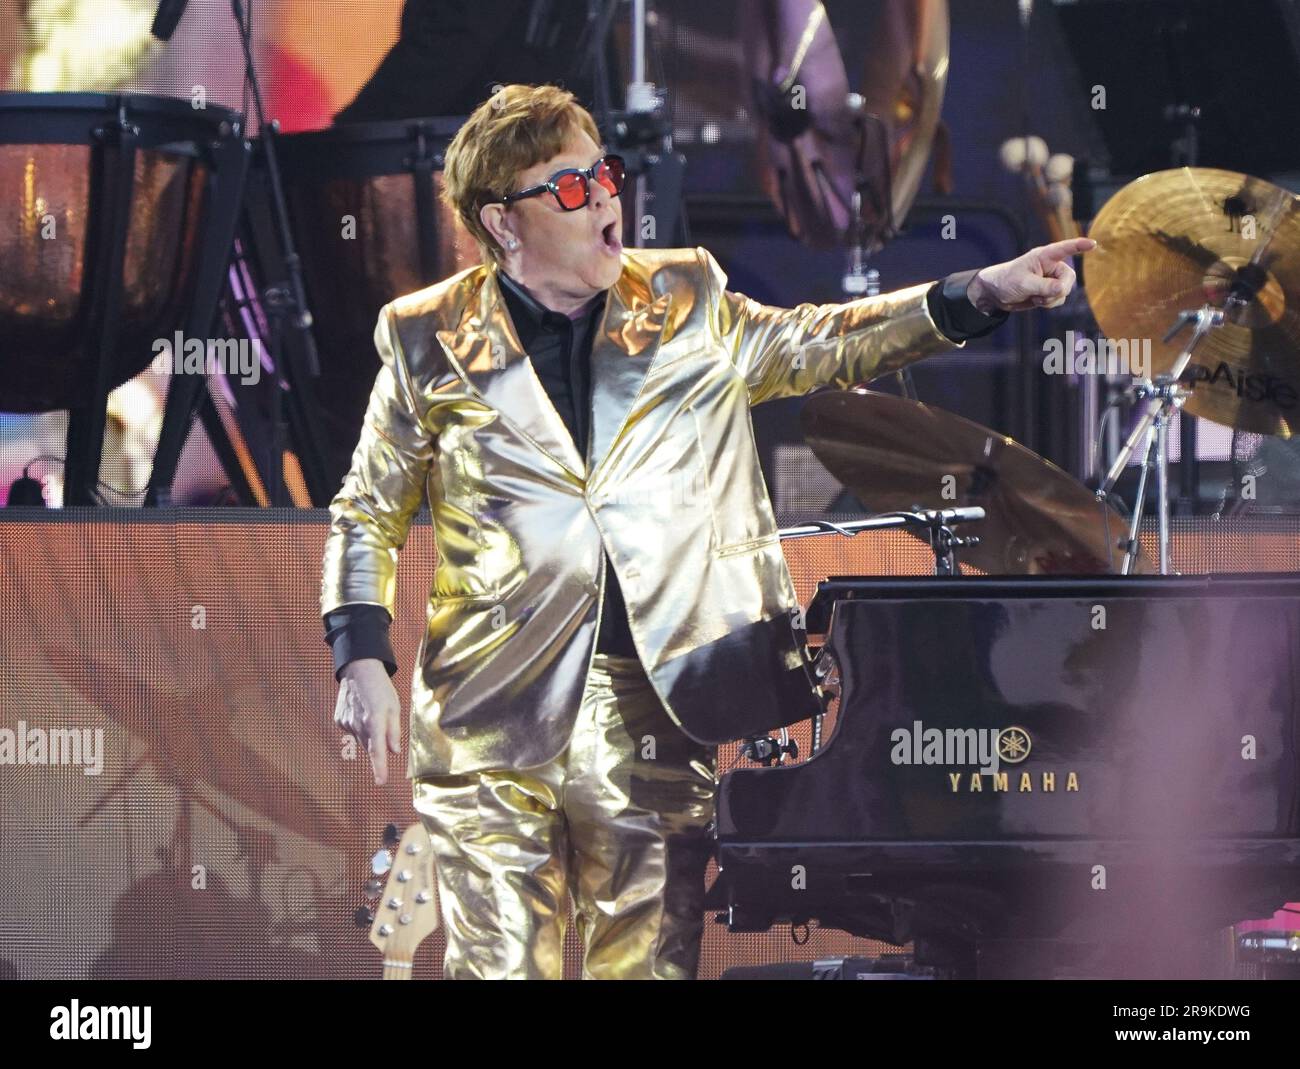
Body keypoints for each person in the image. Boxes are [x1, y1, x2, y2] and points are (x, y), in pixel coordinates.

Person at [321, 82, 1092, 980]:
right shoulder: (424, 336)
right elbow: (366, 507)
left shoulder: (686, 297)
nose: (606, 196)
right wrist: (361, 653)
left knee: (648, 966)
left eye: (603, 173)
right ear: (502, 223)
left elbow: (825, 340)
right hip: (488, 713)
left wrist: (974, 293)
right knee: (494, 968)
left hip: (655, 706)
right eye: (569, 188)